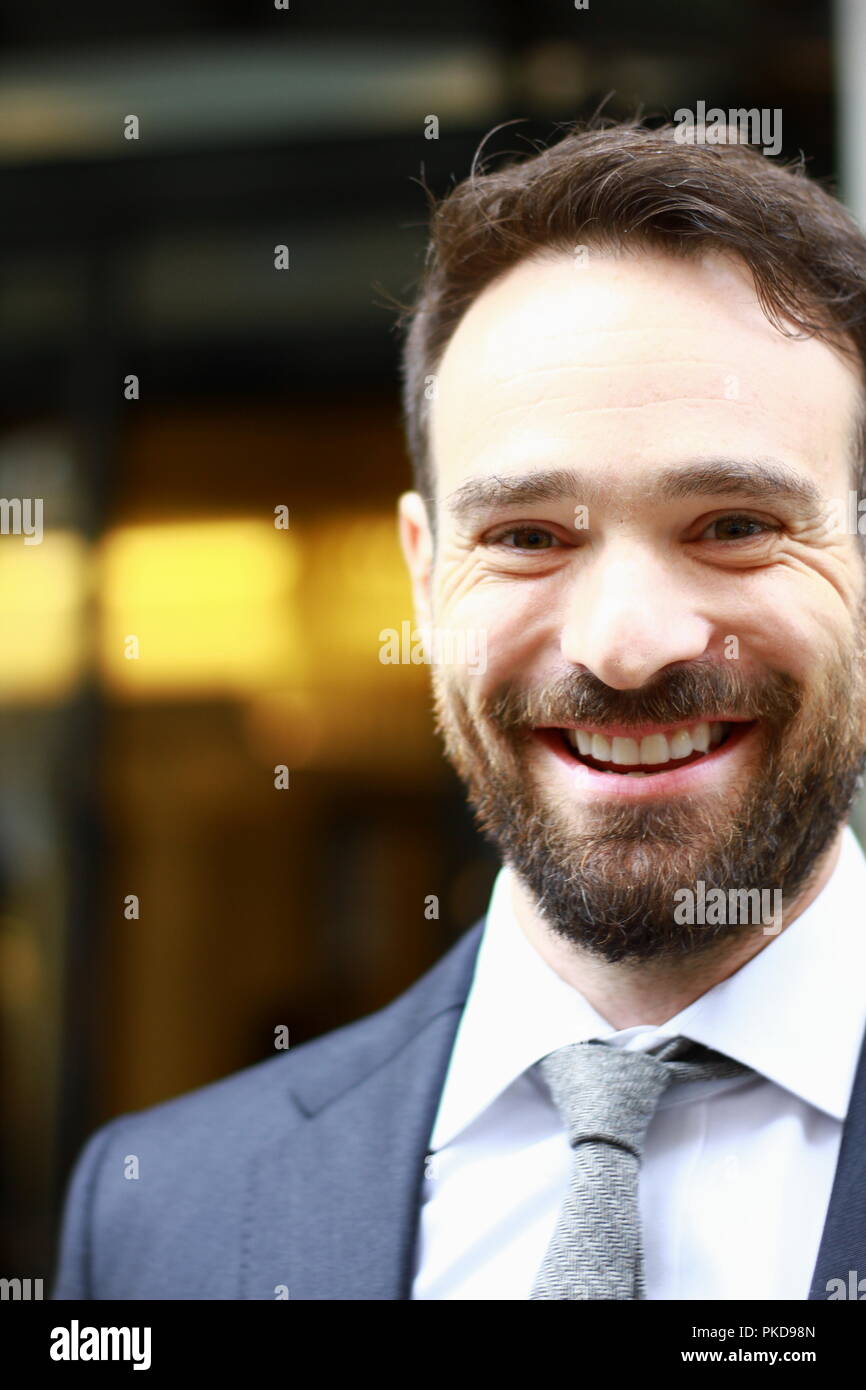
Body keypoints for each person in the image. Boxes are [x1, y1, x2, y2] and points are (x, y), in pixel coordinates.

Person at [52, 117, 866, 1300]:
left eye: (734, 525)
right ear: (427, 577)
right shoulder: (158, 1212)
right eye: (526, 537)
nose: (625, 648)